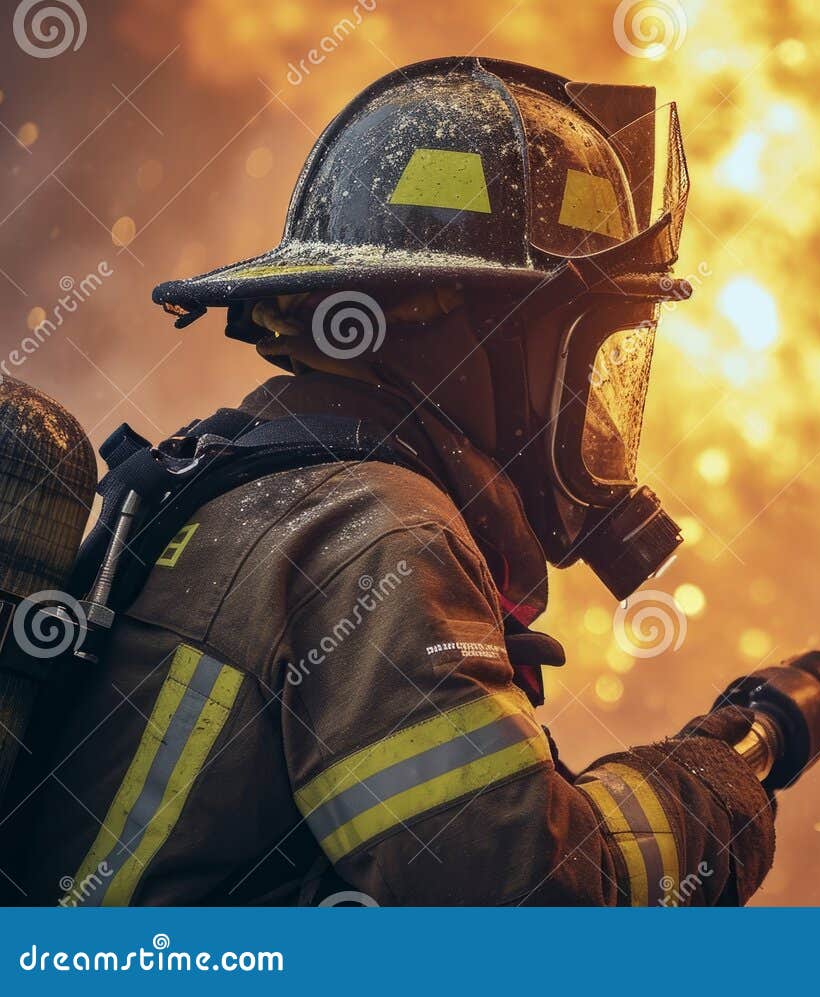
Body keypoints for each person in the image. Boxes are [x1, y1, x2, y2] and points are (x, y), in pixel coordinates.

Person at [3, 57, 780, 906]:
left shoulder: (252, 484)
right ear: (484, 339)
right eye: (584, 350)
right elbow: (527, 912)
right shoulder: (382, 533)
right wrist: (724, 776)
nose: (591, 409)